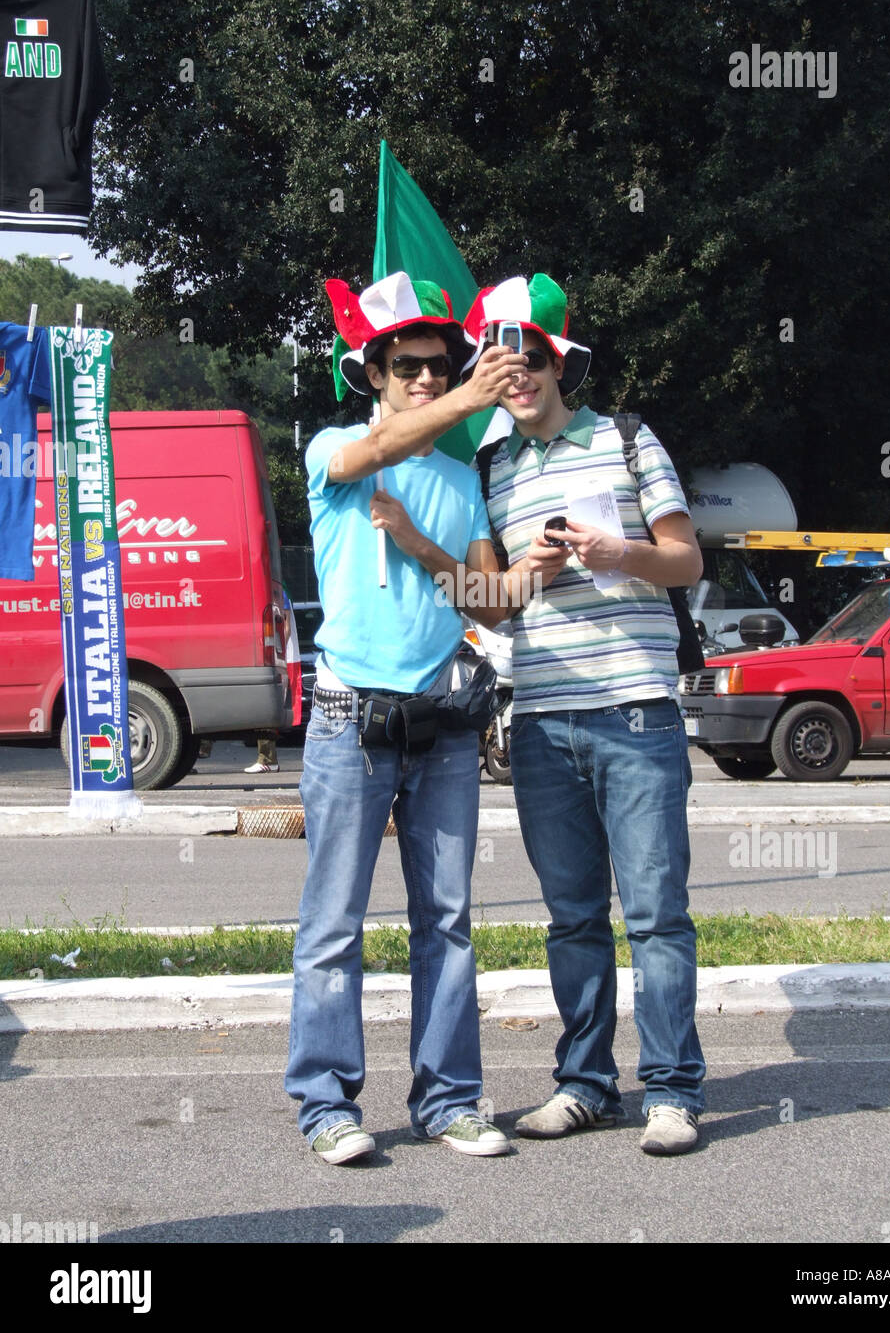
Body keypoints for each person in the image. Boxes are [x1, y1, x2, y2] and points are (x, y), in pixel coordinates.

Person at [285, 270, 525, 1163]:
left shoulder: (462, 481)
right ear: (375, 373)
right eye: (409, 366)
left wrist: (424, 548)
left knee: (449, 920)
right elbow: (359, 460)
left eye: (440, 367)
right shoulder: (332, 452)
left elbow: (487, 603)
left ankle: (451, 1100)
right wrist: (468, 395)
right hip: (349, 717)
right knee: (333, 921)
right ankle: (325, 1105)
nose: (427, 379)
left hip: (443, 722)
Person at [464, 274, 707, 1154]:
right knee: (571, 916)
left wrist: (617, 551)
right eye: (499, 361)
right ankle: (584, 1083)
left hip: (635, 707)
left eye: (530, 358)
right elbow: (486, 604)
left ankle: (674, 1091)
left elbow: (686, 562)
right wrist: (538, 569)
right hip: (541, 721)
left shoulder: (629, 438)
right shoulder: (488, 467)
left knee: (655, 913)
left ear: (559, 360)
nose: (517, 375)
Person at [245, 592, 301, 773]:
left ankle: (267, 759)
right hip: (271, 657)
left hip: (274, 659)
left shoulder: (278, 593)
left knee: (266, 709)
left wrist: (277, 651)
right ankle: (268, 759)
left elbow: (286, 626)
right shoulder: (274, 592)